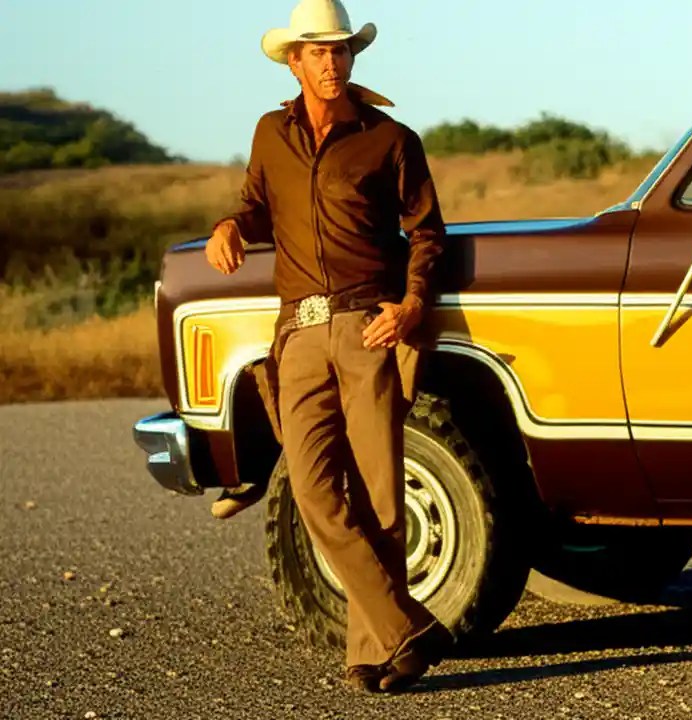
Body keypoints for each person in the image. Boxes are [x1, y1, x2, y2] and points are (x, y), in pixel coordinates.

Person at [202, 0, 453, 693]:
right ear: (295, 62)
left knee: (379, 496)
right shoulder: (270, 133)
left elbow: (428, 233)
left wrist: (411, 305)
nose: (332, 63)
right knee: (313, 491)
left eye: (341, 51)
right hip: (299, 335)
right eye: (318, 52)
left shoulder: (392, 139)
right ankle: (407, 625)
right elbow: (258, 205)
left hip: (367, 326)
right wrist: (230, 224)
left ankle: (375, 653)